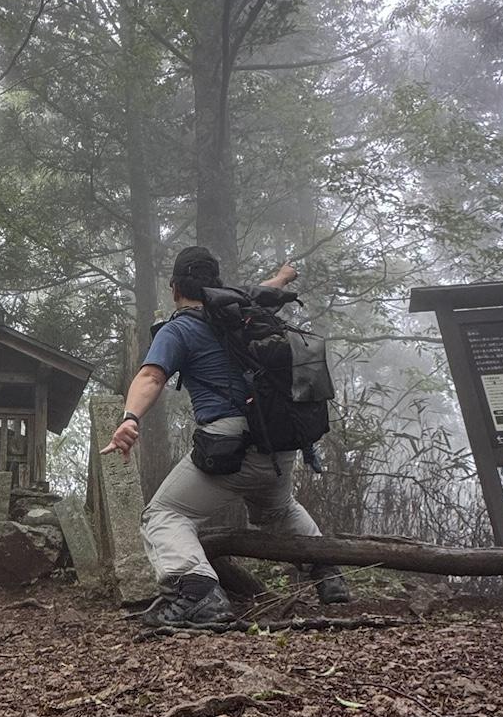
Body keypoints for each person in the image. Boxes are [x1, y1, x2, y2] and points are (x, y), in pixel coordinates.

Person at [104, 245, 348, 630]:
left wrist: (130, 417)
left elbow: (151, 376)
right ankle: (328, 572)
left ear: (174, 288)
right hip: (278, 444)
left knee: (164, 515)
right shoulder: (242, 311)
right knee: (278, 510)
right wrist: (283, 277)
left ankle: (198, 593)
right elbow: (263, 289)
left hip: (229, 447)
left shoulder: (179, 328)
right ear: (215, 285)